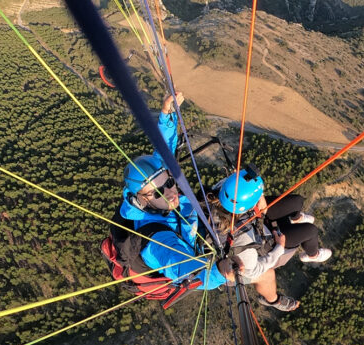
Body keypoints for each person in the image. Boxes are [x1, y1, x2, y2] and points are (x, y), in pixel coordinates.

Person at [118, 92, 233, 291]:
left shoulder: (164, 203)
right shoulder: (156, 242)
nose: (170, 191)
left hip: (189, 224)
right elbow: (180, 266)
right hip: (191, 250)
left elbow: (164, 152)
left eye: (170, 182)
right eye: (157, 193)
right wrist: (217, 274)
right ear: (141, 202)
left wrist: (167, 115)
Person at [207, 168, 332, 312]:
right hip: (265, 244)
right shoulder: (243, 247)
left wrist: (258, 204)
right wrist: (279, 247)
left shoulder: (221, 191)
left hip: (256, 220)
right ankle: (312, 255)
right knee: (310, 231)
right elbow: (256, 270)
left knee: (297, 201)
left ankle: (296, 218)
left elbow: (242, 191)